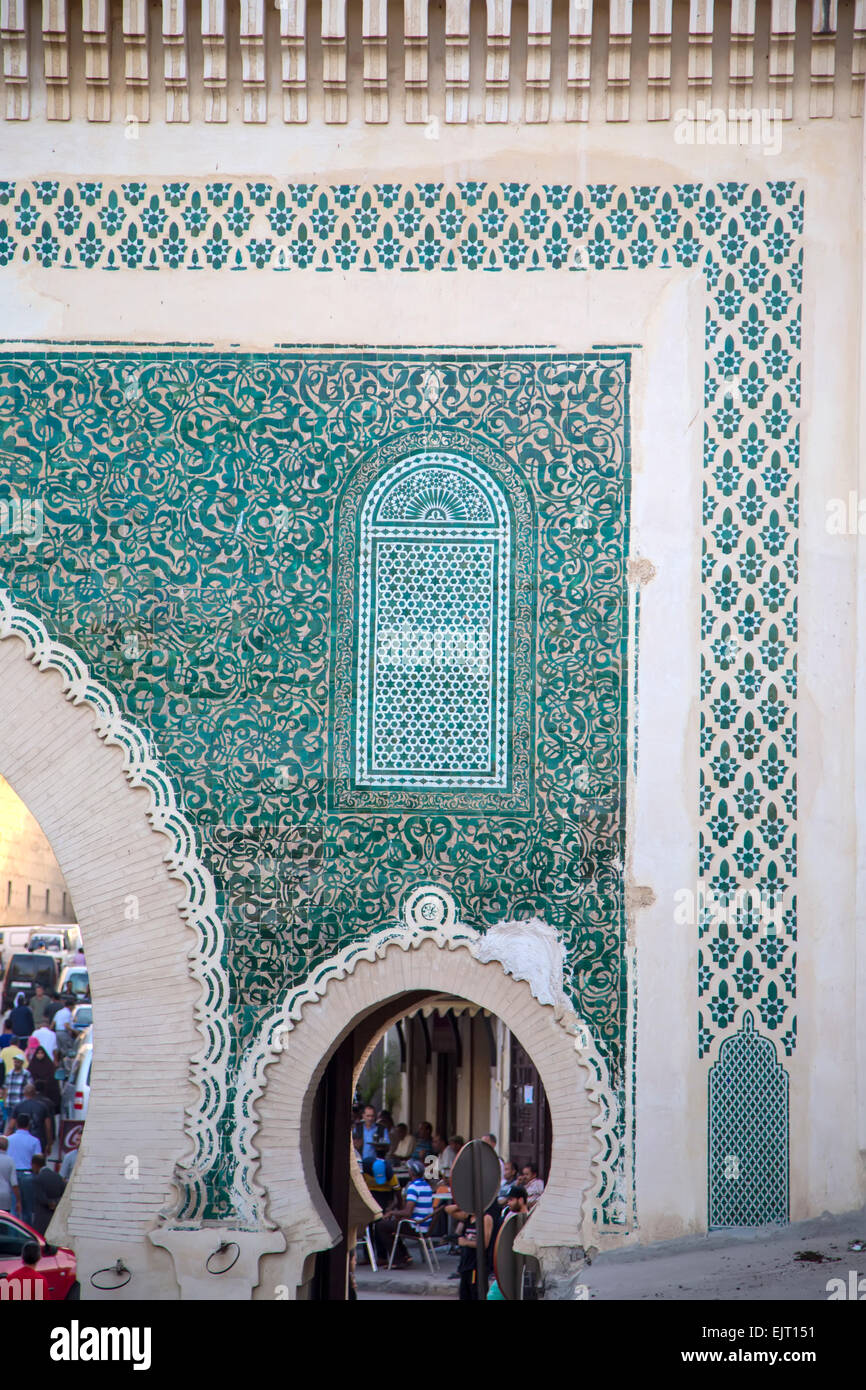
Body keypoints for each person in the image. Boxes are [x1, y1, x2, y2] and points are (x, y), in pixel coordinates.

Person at [374, 1157, 434, 1266]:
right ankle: (404, 1255)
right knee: (391, 1226)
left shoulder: (413, 1188)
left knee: (381, 1226)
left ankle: (399, 1260)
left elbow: (408, 1212)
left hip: (416, 1227)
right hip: (425, 1226)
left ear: (411, 1172)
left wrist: (391, 1213)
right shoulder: (426, 1186)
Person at [455, 1196, 502, 1301]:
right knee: (464, 1294)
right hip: (465, 1264)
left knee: (475, 1294)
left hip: (476, 1265)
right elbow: (448, 1209)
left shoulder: (485, 1218)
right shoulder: (468, 1217)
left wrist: (465, 1242)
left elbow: (484, 1244)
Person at [7, 1114, 41, 1226]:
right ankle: (27, 1235)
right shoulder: (34, 1141)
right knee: (27, 1209)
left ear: (17, 1124)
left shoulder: (8, 1140)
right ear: (29, 1125)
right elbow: (38, 1159)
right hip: (28, 1174)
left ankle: (12, 1235)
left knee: (13, 1207)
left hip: (12, 1175)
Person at [9, 1083, 53, 1154]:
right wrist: (49, 1143)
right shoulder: (43, 1107)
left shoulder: (18, 1106)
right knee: (38, 1162)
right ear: (35, 1093)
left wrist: (6, 1139)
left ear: (24, 1093)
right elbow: (48, 1127)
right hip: (39, 1139)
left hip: (20, 1141)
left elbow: (10, 1127)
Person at [30, 1153, 64, 1235]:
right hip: (55, 1219)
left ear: (35, 1165)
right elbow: (64, 1195)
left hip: (41, 1219)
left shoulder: (38, 1179)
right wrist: (55, 1202)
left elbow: (41, 1199)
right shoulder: (57, 1177)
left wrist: (50, 1203)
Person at [362, 1144, 400, 1211]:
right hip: (369, 1192)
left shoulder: (389, 1172)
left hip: (384, 1194)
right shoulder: (364, 1167)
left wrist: (397, 1206)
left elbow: (398, 1192)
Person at [28, 1048, 61, 1113]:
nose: (40, 1055)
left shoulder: (50, 1065)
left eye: (41, 1053)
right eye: (38, 1053)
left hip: (49, 1096)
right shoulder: (32, 1066)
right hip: (35, 1096)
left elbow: (53, 1081)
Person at [0, 1135, 20, 1214]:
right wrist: (18, 1200)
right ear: (7, 1147)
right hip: (5, 1197)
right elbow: (14, 1183)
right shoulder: (10, 1161)